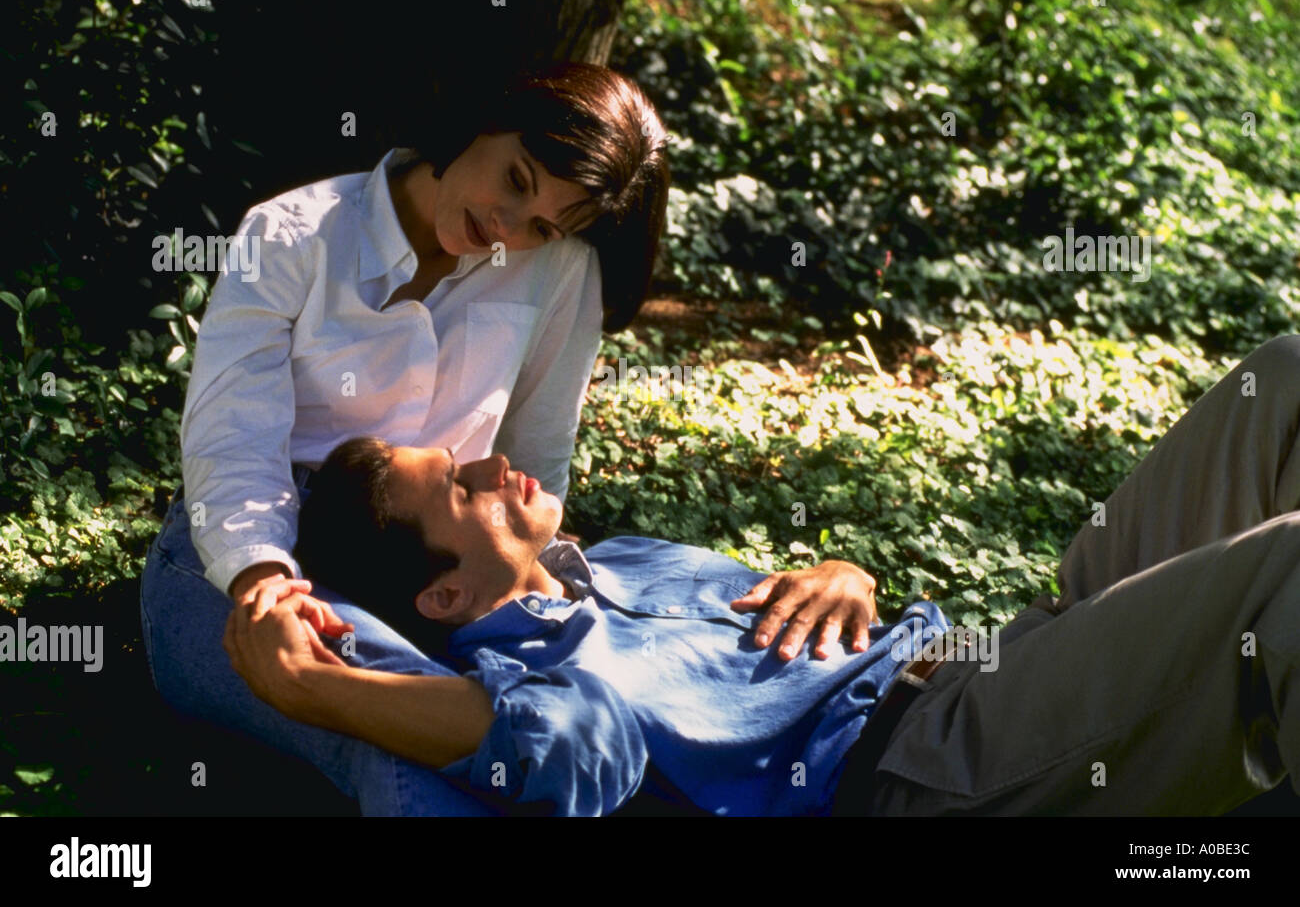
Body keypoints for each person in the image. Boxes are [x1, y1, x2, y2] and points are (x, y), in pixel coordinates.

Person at [223, 335, 1300, 816]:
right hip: (934, 765)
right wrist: (312, 685)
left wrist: (845, 569)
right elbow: (559, 756)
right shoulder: (528, 667)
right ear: (444, 595)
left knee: (1279, 382)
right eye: (461, 489)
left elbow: (806, 604)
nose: (494, 462)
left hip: (994, 658)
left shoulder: (621, 559)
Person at [139, 62, 670, 812]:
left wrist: (517, 590)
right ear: (486, 119)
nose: (511, 230)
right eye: (516, 180)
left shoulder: (559, 270)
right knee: (382, 721)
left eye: (546, 224)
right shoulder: (295, 234)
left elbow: (537, 456)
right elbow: (234, 442)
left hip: (436, 572)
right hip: (258, 551)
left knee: (521, 716)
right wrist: (266, 587)